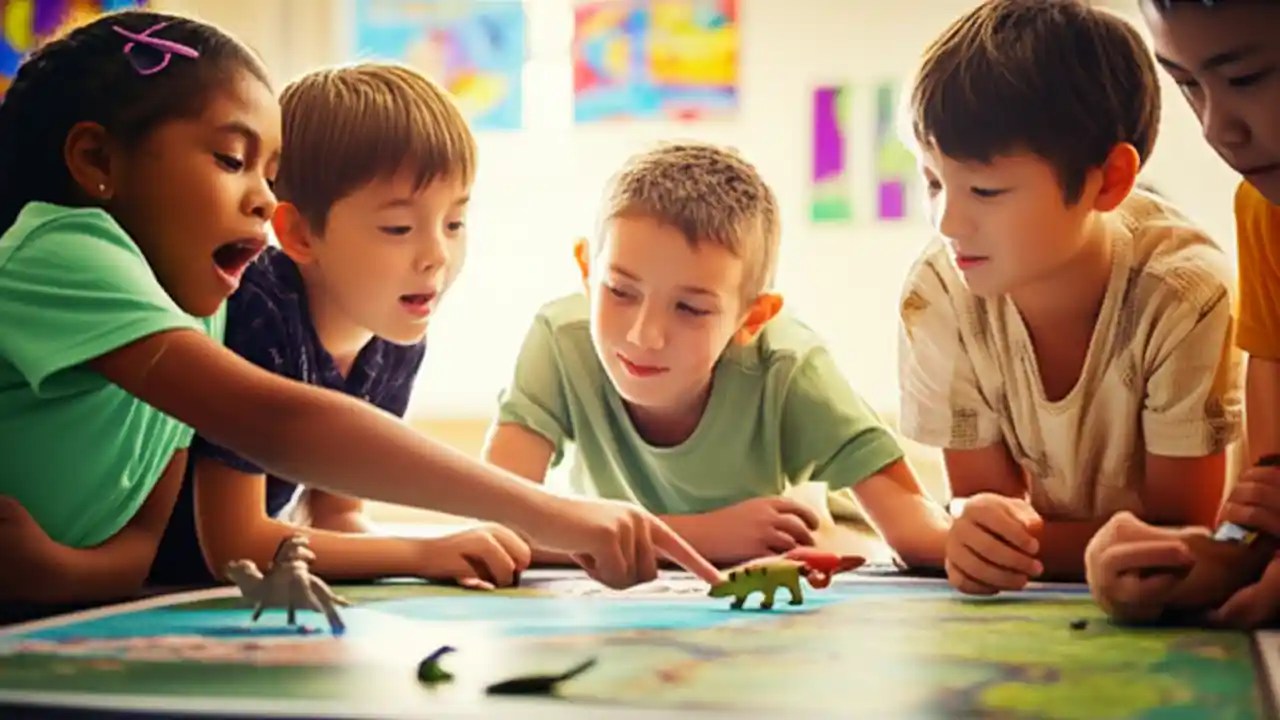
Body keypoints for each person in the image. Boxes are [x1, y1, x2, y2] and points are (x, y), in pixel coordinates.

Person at [0, 10, 720, 604]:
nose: (263, 198)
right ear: (97, 161)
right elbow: (276, 425)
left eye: (271, 172)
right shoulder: (69, 249)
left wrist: (53, 576)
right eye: (231, 160)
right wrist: (549, 511)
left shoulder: (198, 308)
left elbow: (135, 553)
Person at [897, 0, 1242, 594]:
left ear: (1107, 182)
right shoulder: (938, 296)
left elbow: (1177, 532)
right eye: (933, 181)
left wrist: (1000, 542)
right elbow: (991, 516)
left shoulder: (1185, 296)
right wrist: (974, 531)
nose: (946, 222)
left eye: (985, 189)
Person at [148, 63, 528, 590]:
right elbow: (234, 543)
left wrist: (445, 560)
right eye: (398, 227)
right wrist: (419, 553)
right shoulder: (257, 311)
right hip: (138, 586)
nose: (437, 255)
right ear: (300, 233)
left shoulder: (394, 335)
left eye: (455, 222)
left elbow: (336, 514)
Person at [483, 141, 950, 568]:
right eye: (621, 291)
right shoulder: (560, 340)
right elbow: (495, 522)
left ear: (753, 317)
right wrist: (702, 537)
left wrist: (981, 536)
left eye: (690, 308)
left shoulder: (789, 368)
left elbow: (913, 529)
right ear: (587, 271)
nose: (645, 335)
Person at [1086, 0, 1280, 628]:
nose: (1218, 127)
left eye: (1248, 78)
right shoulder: (1266, 215)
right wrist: (1204, 562)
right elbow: (1265, 518)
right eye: (1188, 84)